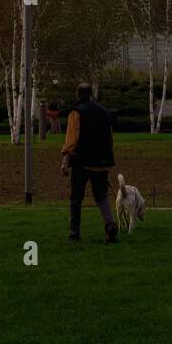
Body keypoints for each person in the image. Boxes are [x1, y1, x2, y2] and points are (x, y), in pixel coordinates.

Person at [61, 82, 118, 243]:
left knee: (76, 198)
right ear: (91, 94)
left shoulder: (76, 112)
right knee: (101, 196)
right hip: (103, 162)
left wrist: (65, 161)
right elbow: (110, 139)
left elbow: (71, 140)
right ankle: (110, 225)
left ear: (77, 95)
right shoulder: (105, 112)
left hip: (82, 162)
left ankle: (74, 233)